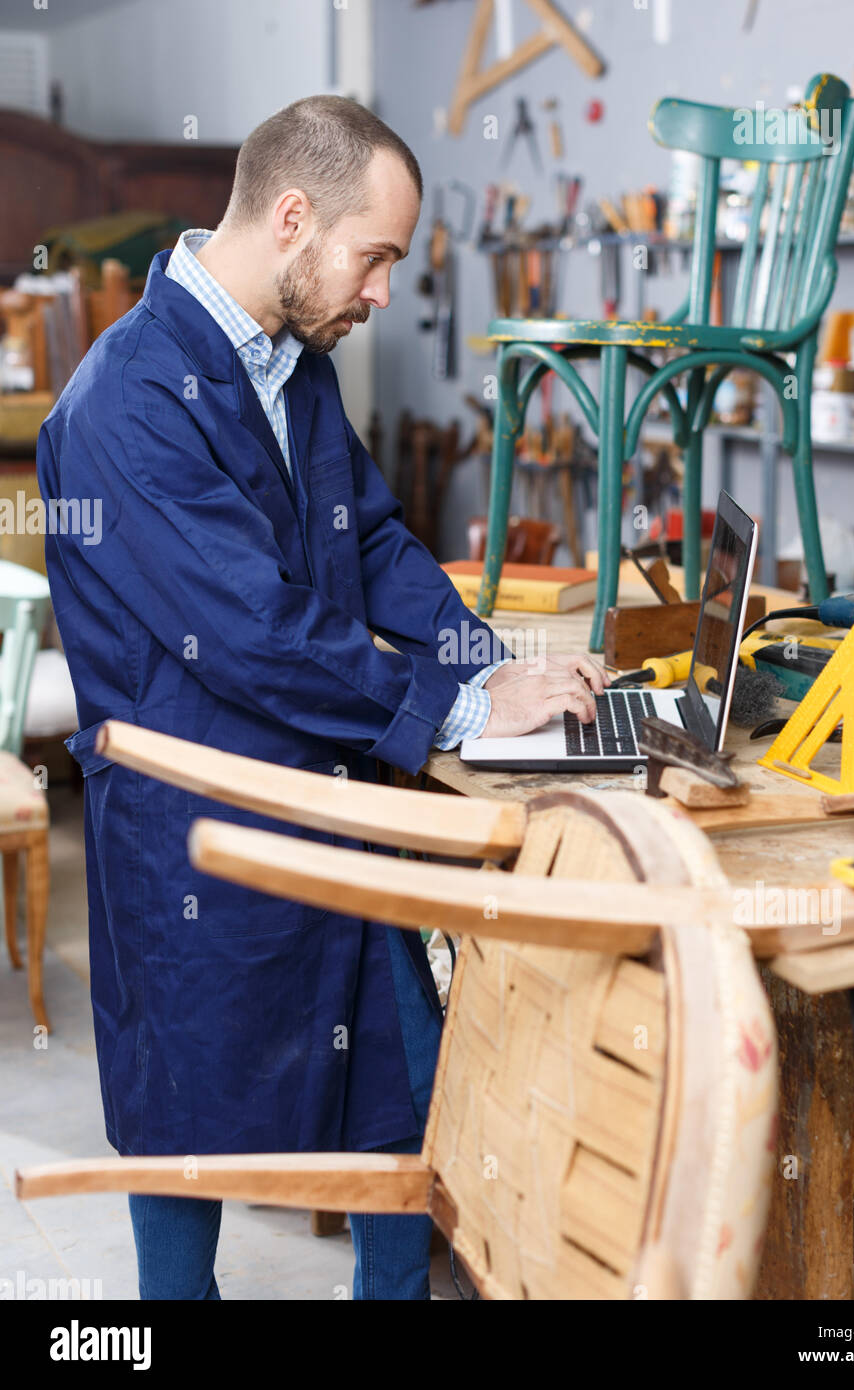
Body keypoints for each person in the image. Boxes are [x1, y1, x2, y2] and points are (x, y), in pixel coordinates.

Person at [37, 94, 609, 1300]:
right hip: (204, 834)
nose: (382, 292)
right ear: (292, 218)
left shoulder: (290, 365)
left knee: (395, 1109)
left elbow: (378, 550)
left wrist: (489, 666)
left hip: (337, 798)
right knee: (186, 1136)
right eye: (376, 257)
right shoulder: (125, 400)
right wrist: (454, 713)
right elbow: (251, 628)